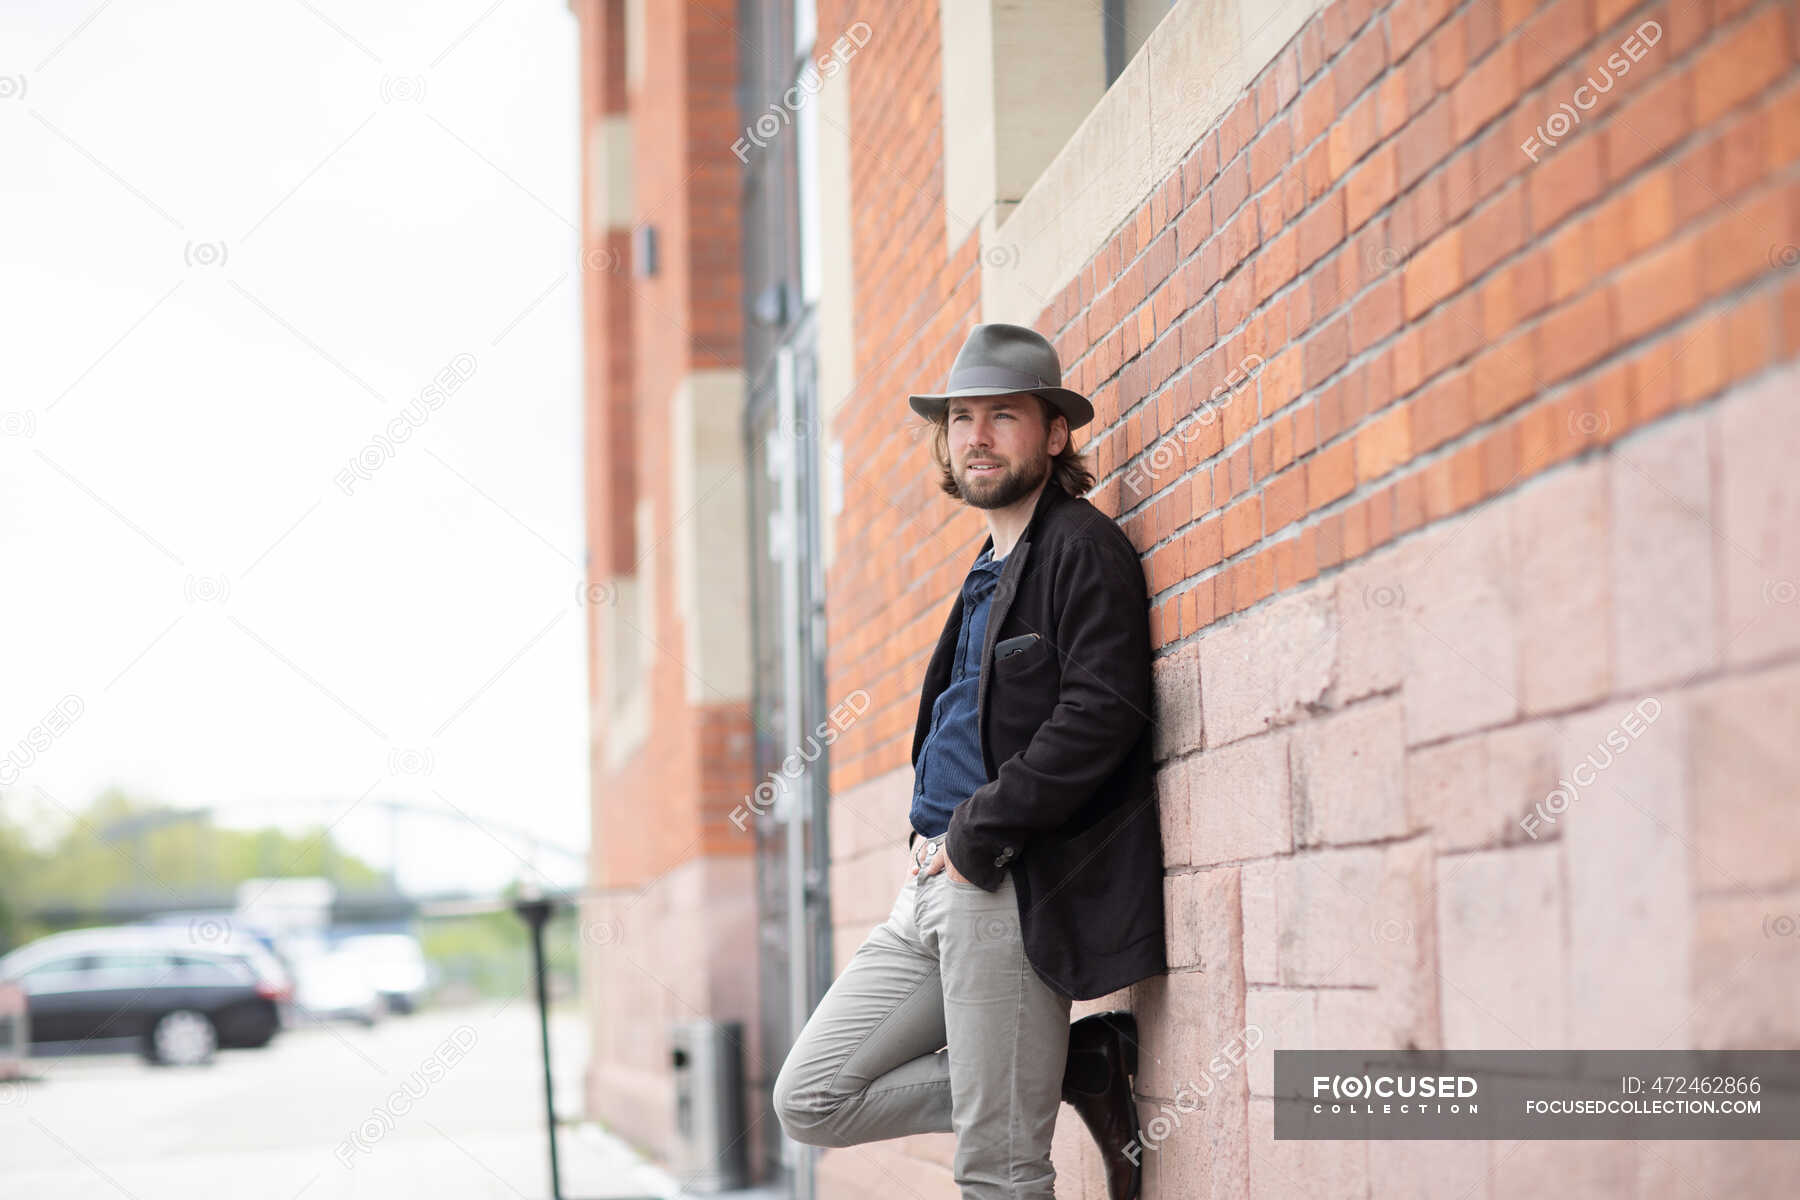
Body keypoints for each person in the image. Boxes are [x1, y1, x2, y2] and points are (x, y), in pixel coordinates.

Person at [773, 323, 1166, 1199]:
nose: (976, 437)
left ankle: (1042, 1070)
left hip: (1006, 885)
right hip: (930, 889)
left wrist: (976, 833)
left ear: (1054, 433)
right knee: (812, 1098)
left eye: (1002, 416)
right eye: (960, 420)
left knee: (999, 1169)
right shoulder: (988, 565)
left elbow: (1104, 713)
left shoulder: (1079, 550)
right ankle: (1070, 1066)